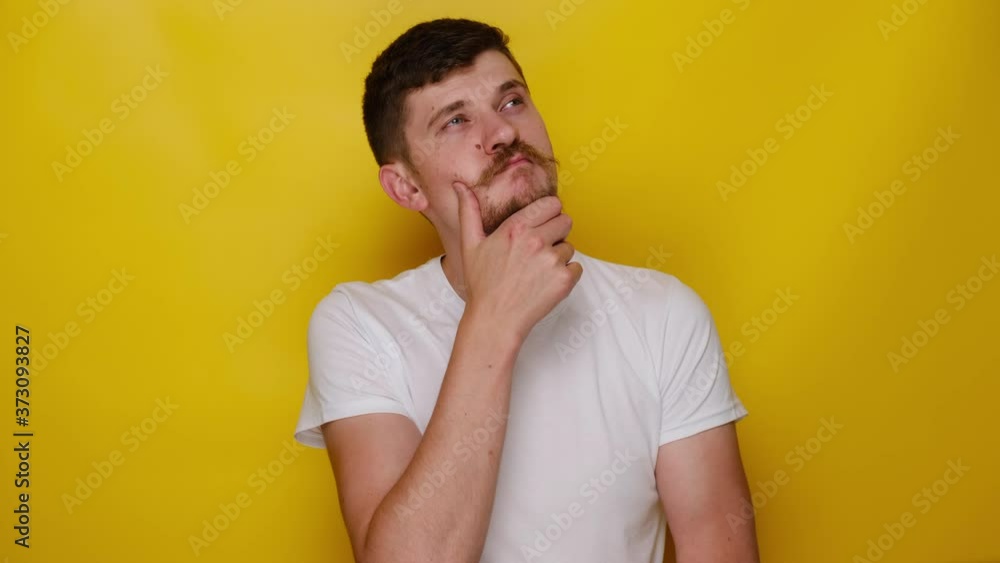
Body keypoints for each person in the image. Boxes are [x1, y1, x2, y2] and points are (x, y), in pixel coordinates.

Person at [294, 17, 760, 563]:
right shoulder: (359, 324)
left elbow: (718, 548)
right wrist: (494, 322)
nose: (503, 133)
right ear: (406, 186)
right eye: (455, 121)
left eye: (512, 101)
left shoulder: (663, 313)